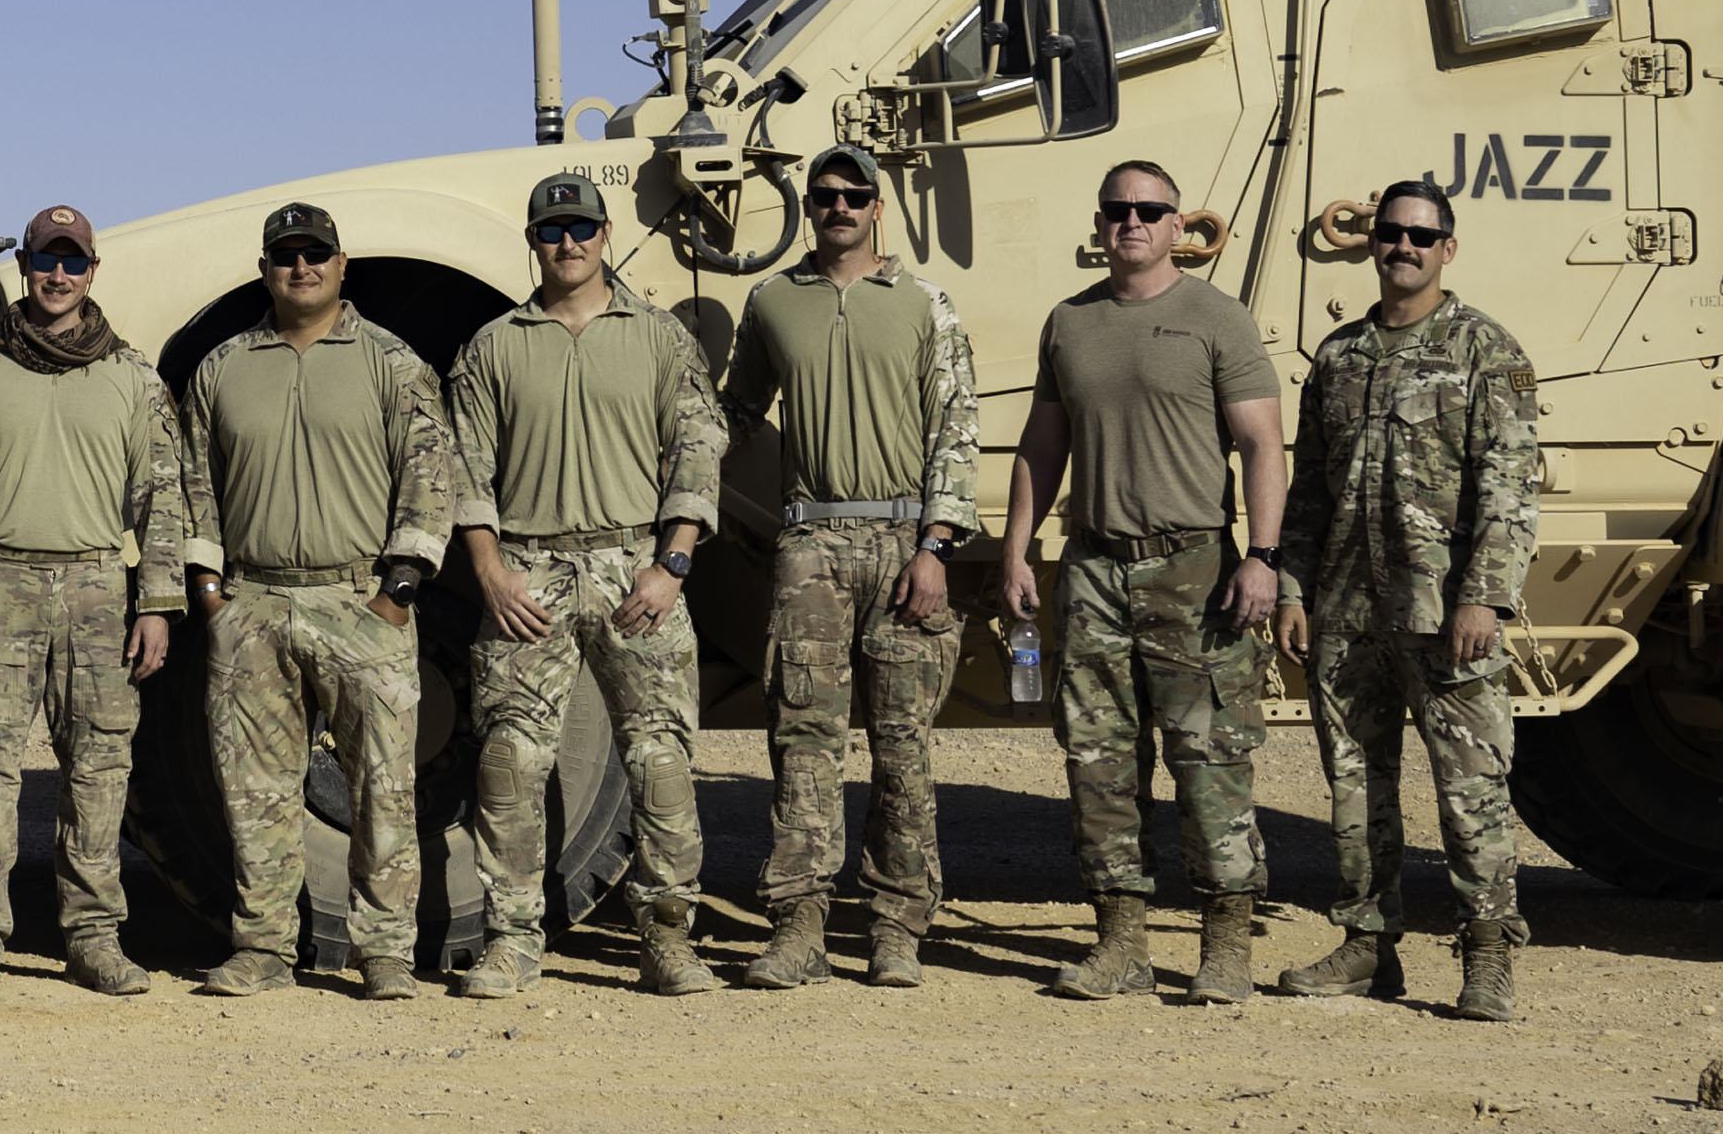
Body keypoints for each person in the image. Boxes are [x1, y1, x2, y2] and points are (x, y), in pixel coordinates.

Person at [995, 157, 1295, 1004]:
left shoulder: (1216, 317)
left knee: (1210, 761)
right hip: (1093, 567)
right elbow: (1041, 447)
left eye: (1149, 210)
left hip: (1195, 568)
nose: (1132, 221)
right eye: (1117, 208)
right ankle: (1120, 944)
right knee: (1099, 765)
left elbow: (1263, 444)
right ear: (1099, 223)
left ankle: (1225, 950)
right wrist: (1017, 551)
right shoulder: (1070, 321)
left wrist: (1263, 555)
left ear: (1177, 226)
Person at [441, 166, 729, 998]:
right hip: (528, 571)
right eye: (549, 229)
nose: (566, 242)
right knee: (508, 760)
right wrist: (489, 571)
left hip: (633, 566)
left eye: (580, 228)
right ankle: (511, 940)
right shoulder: (494, 345)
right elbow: (465, 468)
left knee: (660, 760)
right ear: (533, 242)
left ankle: (667, 939)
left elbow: (699, 446)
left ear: (605, 234)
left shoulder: (659, 337)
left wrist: (673, 564)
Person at [1275, 180, 1546, 1022]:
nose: (1403, 246)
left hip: (1445, 612)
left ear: (1447, 249)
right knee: (1356, 784)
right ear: (1372, 243)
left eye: (1421, 235)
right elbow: (1309, 489)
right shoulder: (1339, 355)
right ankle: (1367, 943)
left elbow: (1510, 489)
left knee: (1471, 787)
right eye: (1391, 232)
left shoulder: (1484, 349)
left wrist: (1485, 598)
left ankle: (1488, 952)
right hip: (1348, 609)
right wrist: (1293, 589)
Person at [171, 198, 453, 999]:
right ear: (264, 269)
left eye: (316, 253)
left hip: (360, 599)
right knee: (254, 791)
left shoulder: (391, 362)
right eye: (286, 254)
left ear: (341, 264)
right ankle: (262, 946)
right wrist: (211, 592)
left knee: (383, 787)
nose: (302, 266)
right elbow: (193, 484)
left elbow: (430, 475)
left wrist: (399, 589)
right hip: (253, 603)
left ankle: (385, 952)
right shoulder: (223, 367)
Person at [0, 204, 189, 1001]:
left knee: (100, 768)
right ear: (24, 265)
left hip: (98, 588)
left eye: (73, 261)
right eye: (46, 259)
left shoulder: (133, 377)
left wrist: (157, 602)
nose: (59, 275)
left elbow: (162, 498)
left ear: (93, 270)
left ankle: (93, 936)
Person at [723, 148, 979, 991]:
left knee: (903, 749)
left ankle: (897, 928)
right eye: (826, 194)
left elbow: (955, 425)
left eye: (855, 194)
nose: (840, 205)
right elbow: (737, 411)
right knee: (803, 742)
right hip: (812, 544)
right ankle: (799, 926)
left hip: (906, 542)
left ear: (878, 207)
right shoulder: (772, 300)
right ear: (809, 206)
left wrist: (937, 546)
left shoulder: (925, 303)